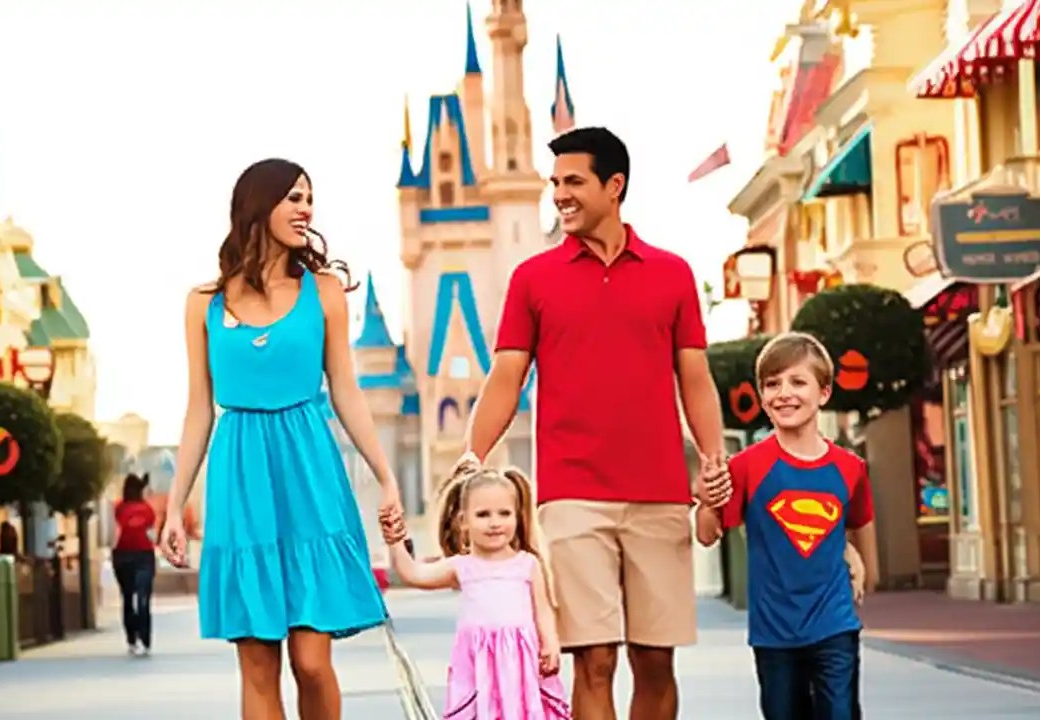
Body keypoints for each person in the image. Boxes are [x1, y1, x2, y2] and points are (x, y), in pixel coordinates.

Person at [462, 126, 731, 720]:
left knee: (655, 661)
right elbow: (506, 376)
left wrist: (714, 466)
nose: (559, 194)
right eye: (555, 182)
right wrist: (471, 457)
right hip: (572, 496)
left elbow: (694, 378)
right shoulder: (533, 278)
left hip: (660, 494)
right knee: (594, 660)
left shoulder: (672, 273)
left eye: (573, 181)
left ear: (614, 186)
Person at [158, 158, 402, 719]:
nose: (306, 209)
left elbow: (347, 392)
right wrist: (175, 507)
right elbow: (198, 410)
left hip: (309, 471)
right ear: (258, 204)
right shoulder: (203, 303)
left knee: (312, 662)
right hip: (240, 476)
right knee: (257, 664)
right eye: (294, 197)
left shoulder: (325, 292)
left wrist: (386, 477)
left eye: (309, 198)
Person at [696, 332, 879, 720]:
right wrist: (708, 498)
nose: (784, 394)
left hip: (834, 625)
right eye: (772, 384)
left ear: (824, 393)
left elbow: (859, 523)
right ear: (762, 396)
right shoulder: (747, 466)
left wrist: (864, 568)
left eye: (798, 382)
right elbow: (707, 534)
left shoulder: (850, 469)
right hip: (774, 633)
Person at [382, 463, 571, 719]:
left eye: (504, 514)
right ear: (463, 522)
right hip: (477, 665)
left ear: (517, 517)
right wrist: (395, 542)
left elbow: (543, 609)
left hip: (520, 664)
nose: (494, 523)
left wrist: (550, 641)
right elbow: (414, 574)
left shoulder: (527, 564)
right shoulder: (462, 566)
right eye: (483, 515)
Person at [113, 472, 158, 656]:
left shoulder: (119, 508)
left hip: (122, 556)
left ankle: (131, 638)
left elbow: (116, 531)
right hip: (144, 556)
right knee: (143, 598)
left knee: (127, 598)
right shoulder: (147, 509)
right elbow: (151, 533)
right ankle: (145, 638)